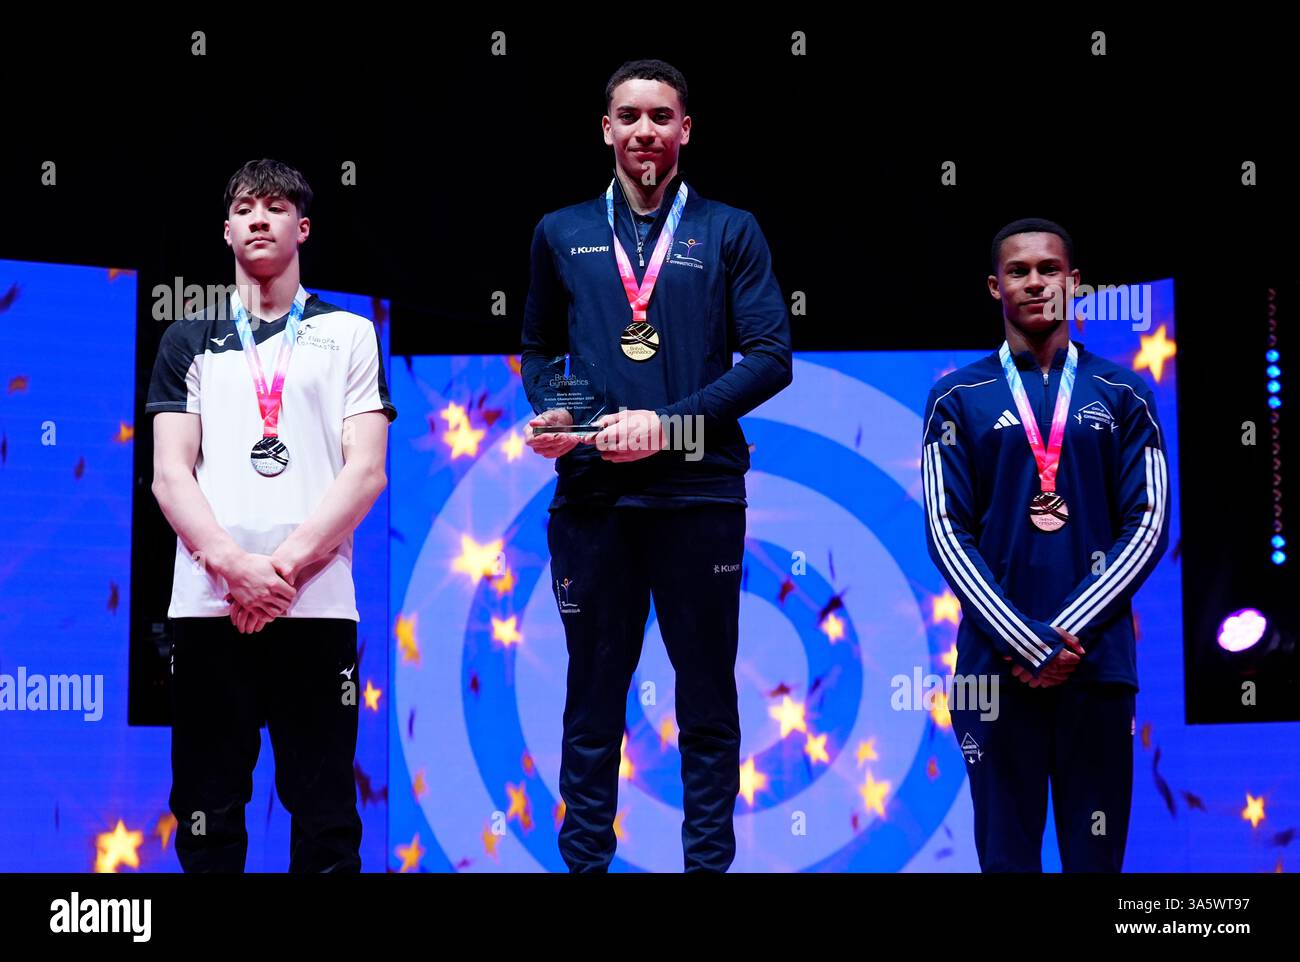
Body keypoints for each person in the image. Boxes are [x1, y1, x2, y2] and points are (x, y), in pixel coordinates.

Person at [520, 59, 793, 872]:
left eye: (661, 117)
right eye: (629, 116)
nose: (645, 131)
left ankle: (707, 869)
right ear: (606, 129)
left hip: (698, 494)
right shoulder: (560, 231)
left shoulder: (730, 229)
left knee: (707, 703)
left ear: (685, 130)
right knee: (592, 704)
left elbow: (772, 356)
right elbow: (539, 348)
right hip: (594, 496)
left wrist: (667, 427)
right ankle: (585, 868)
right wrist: (562, 408)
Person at [147, 158, 397, 872]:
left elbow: (367, 469)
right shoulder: (186, 339)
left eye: (277, 206)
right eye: (246, 208)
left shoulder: (348, 333)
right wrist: (233, 570)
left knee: (324, 816)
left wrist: (277, 574)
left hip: (314, 607)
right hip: (207, 608)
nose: (261, 217)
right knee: (206, 810)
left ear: (303, 227)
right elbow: (170, 474)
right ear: (226, 231)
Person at [922, 217, 1169, 872]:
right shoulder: (956, 398)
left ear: (1075, 283)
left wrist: (1060, 636)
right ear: (994, 287)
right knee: (1007, 863)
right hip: (992, 678)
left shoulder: (1125, 394)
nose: (1035, 282)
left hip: (1097, 671)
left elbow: (1148, 526)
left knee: (1096, 863)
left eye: (1049, 269)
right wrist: (1025, 642)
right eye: (1019, 271)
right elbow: (947, 532)